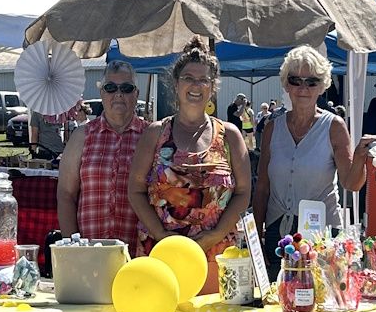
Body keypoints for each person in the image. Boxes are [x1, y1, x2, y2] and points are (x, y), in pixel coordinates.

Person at [129, 37, 251, 294]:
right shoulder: (155, 133)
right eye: (188, 78)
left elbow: (243, 192)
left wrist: (216, 234)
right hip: (162, 255)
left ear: (212, 87)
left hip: (218, 255)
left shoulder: (229, 135)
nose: (195, 85)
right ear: (176, 84)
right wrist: (163, 236)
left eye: (203, 80)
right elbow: (136, 191)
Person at [253, 45, 376, 278]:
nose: (303, 88)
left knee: (316, 300)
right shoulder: (273, 127)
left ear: (322, 86)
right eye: (296, 80)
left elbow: (351, 184)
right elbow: (262, 187)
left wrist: (361, 157)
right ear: (286, 84)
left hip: (320, 235)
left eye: (311, 81)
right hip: (276, 232)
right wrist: (257, 236)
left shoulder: (334, 126)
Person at [57, 60, 148, 255]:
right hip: (89, 254)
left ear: (136, 94)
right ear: (101, 93)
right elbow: (66, 195)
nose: (118, 94)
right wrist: (73, 249)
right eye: (110, 88)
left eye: (126, 88)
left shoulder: (151, 136)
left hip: (138, 254)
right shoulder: (82, 136)